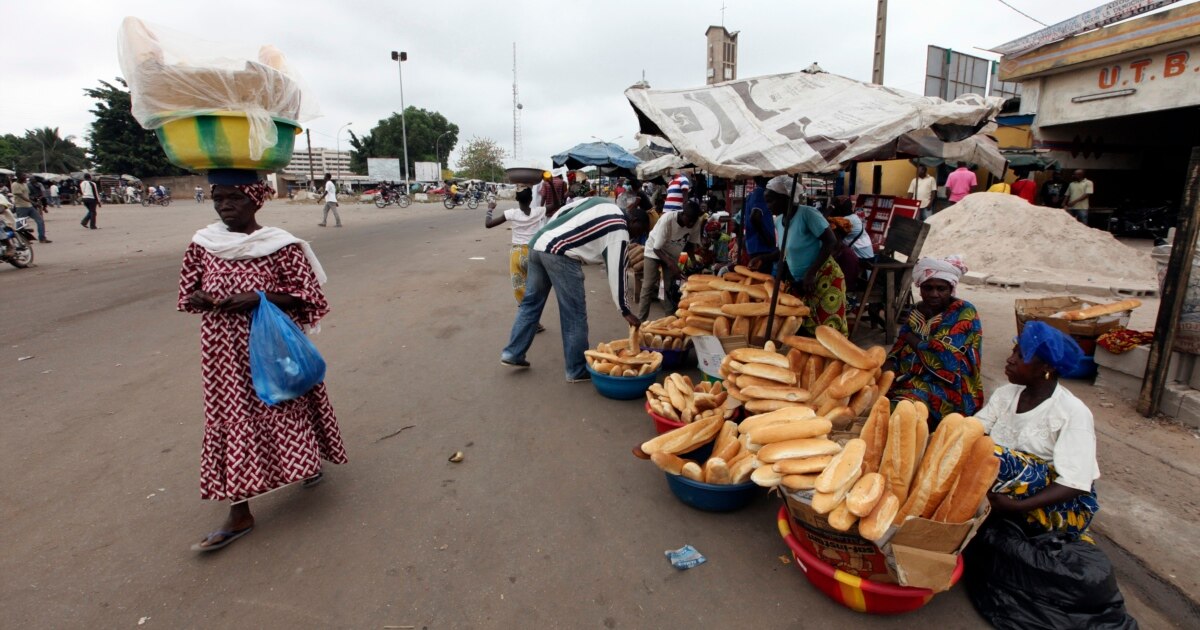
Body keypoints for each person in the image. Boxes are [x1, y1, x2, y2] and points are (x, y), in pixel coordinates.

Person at [178, 178, 346, 552]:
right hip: (224, 354)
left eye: (234, 198)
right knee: (233, 418)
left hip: (273, 347)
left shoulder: (281, 246)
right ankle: (240, 512)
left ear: (255, 201)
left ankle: (305, 461)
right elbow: (187, 294)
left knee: (287, 404)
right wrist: (201, 297)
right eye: (219, 199)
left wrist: (258, 297)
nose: (224, 205)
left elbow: (307, 296)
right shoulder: (203, 244)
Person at [500, 195, 649, 381]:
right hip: (560, 254)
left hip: (538, 243)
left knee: (530, 303)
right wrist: (625, 309)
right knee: (574, 314)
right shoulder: (620, 228)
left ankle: (512, 353)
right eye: (640, 231)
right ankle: (576, 370)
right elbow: (618, 269)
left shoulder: (603, 203)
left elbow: (564, 210)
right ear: (634, 220)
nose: (637, 236)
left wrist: (550, 233)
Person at [977, 321, 1099, 541]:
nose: (1010, 360)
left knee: (993, 456)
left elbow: (1075, 483)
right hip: (1005, 493)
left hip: (1059, 506)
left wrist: (1018, 507)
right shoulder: (1005, 394)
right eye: (1013, 352)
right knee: (967, 443)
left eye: (1021, 356)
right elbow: (973, 430)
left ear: (1047, 368)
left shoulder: (1072, 412)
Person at [884, 256, 983, 427]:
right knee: (870, 396)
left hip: (951, 390)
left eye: (941, 289)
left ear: (951, 289)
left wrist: (912, 338)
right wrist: (886, 367)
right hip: (909, 380)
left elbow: (946, 360)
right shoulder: (917, 310)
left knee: (901, 410)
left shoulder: (964, 312)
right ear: (920, 288)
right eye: (927, 288)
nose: (934, 294)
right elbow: (899, 347)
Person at [764, 175, 847, 334]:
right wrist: (763, 259)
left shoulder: (807, 214)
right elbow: (784, 250)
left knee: (827, 329)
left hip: (824, 277)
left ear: (785, 198)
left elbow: (831, 242)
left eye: (770, 201)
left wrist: (811, 272)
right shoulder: (779, 221)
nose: (767, 206)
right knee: (803, 325)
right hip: (800, 281)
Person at [485, 186, 548, 330]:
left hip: (517, 254)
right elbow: (556, 204)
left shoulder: (511, 213)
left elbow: (488, 224)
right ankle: (535, 320)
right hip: (534, 252)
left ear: (516, 199)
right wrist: (550, 184)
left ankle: (530, 322)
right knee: (535, 289)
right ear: (531, 199)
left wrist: (490, 209)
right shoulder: (538, 212)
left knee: (520, 288)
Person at [637, 199, 702, 321]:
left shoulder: (695, 222)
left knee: (670, 287)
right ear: (683, 214)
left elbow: (690, 244)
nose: (691, 224)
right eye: (689, 220)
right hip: (654, 251)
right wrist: (671, 264)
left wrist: (693, 261)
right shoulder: (668, 220)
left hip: (672, 253)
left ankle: (670, 320)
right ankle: (640, 321)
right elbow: (656, 249)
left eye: (694, 221)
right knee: (648, 285)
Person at [826, 196, 874, 290]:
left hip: (863, 260)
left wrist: (831, 207)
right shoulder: (852, 217)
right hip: (861, 255)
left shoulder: (847, 221)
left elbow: (823, 223)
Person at [741, 177, 779, 271]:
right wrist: (768, 239)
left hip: (755, 245)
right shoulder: (761, 193)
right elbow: (755, 217)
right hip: (762, 247)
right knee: (762, 277)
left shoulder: (753, 194)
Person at [11, 174, 50, 243]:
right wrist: (32, 202)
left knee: (40, 221)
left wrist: (35, 200)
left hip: (29, 206)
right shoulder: (15, 185)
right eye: (24, 177)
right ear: (19, 177)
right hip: (21, 207)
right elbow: (20, 195)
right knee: (21, 225)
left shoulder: (25, 184)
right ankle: (23, 240)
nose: (26, 178)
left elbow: (27, 195)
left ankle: (42, 238)